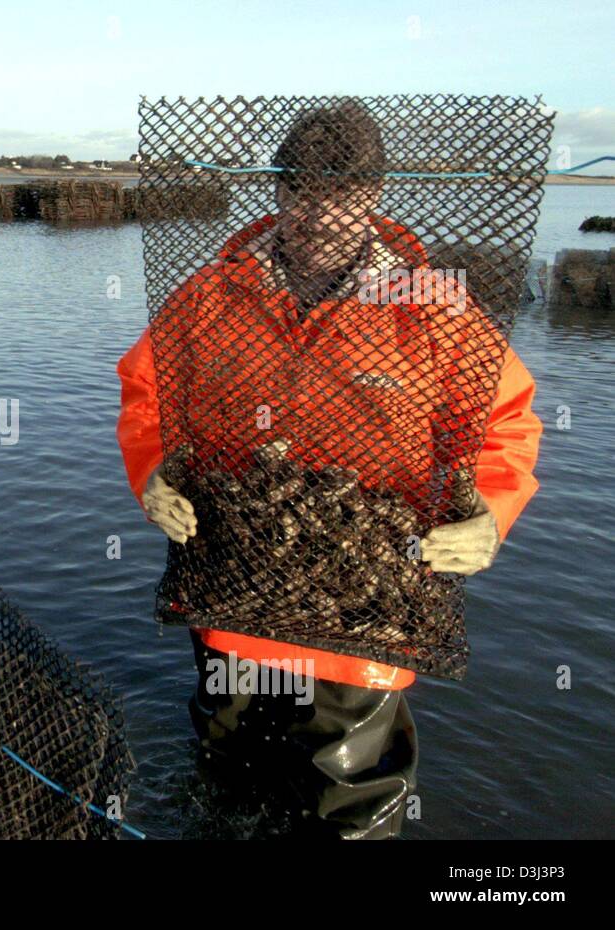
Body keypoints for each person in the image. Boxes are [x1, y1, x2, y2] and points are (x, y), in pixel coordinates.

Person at [116, 100, 542, 838]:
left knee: (352, 800)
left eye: (341, 195)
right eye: (299, 191)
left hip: (365, 601)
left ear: (374, 197)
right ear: (276, 190)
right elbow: (148, 392)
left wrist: (490, 515)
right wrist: (153, 473)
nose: (317, 214)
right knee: (227, 774)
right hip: (233, 586)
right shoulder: (212, 294)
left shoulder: (433, 307)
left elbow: (505, 421)